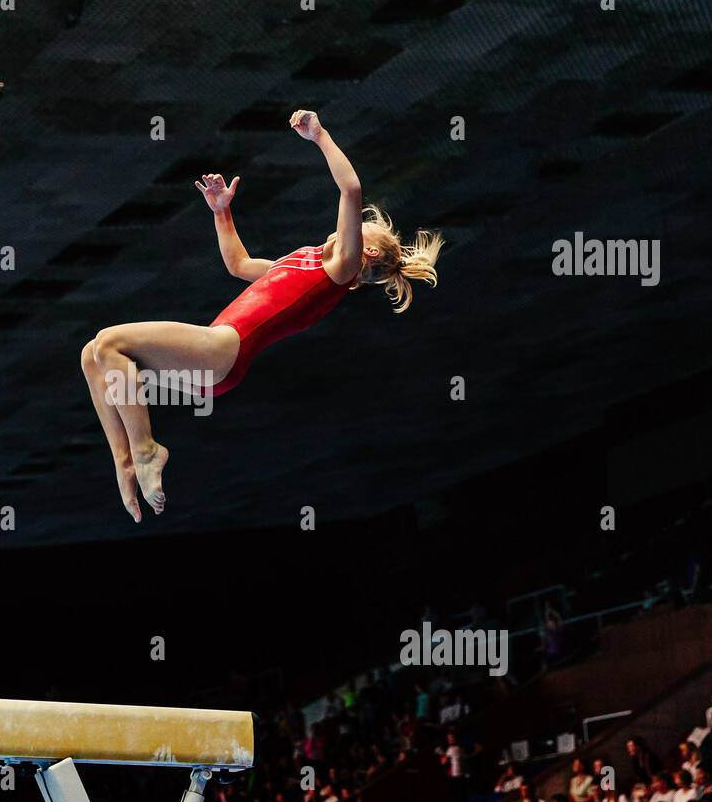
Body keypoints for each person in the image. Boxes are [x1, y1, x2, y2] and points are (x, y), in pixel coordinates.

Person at [80, 109, 442, 520]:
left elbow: (351, 188)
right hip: (216, 360)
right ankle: (125, 463)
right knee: (93, 355)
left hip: (222, 350)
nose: (354, 225)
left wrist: (320, 136)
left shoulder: (339, 272)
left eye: (362, 230)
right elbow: (238, 264)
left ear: (366, 252)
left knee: (110, 341)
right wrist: (221, 211)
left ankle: (146, 451)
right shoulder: (302, 264)